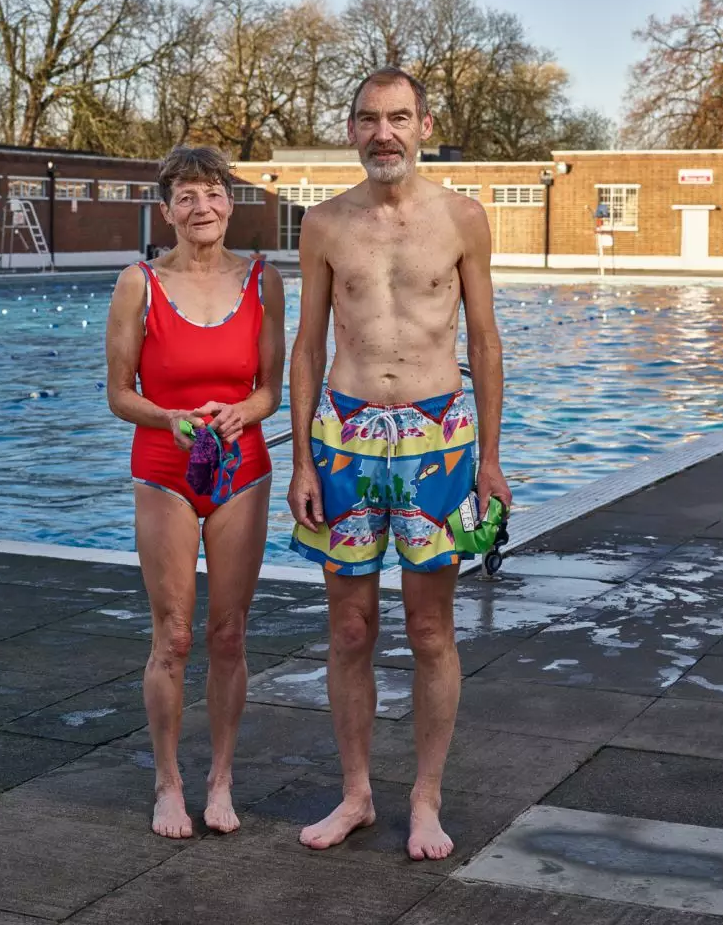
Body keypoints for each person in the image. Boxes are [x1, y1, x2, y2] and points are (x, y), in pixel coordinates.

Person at [287, 66, 511, 861]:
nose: (384, 132)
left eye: (399, 117)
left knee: (429, 630)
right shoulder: (321, 223)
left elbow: (484, 342)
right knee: (349, 629)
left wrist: (487, 456)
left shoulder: (463, 218)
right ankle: (355, 795)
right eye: (369, 118)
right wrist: (304, 460)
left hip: (437, 437)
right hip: (344, 437)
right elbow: (308, 345)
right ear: (350, 129)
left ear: (422, 125)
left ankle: (425, 799)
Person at [106, 146, 285, 840]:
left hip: (242, 465)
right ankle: (169, 782)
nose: (201, 207)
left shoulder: (263, 281)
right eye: (185, 195)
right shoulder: (138, 284)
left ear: (230, 204)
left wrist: (250, 411)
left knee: (229, 634)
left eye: (212, 193)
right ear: (166, 208)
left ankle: (220, 779)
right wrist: (168, 419)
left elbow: (271, 385)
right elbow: (120, 393)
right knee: (174, 636)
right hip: (164, 465)